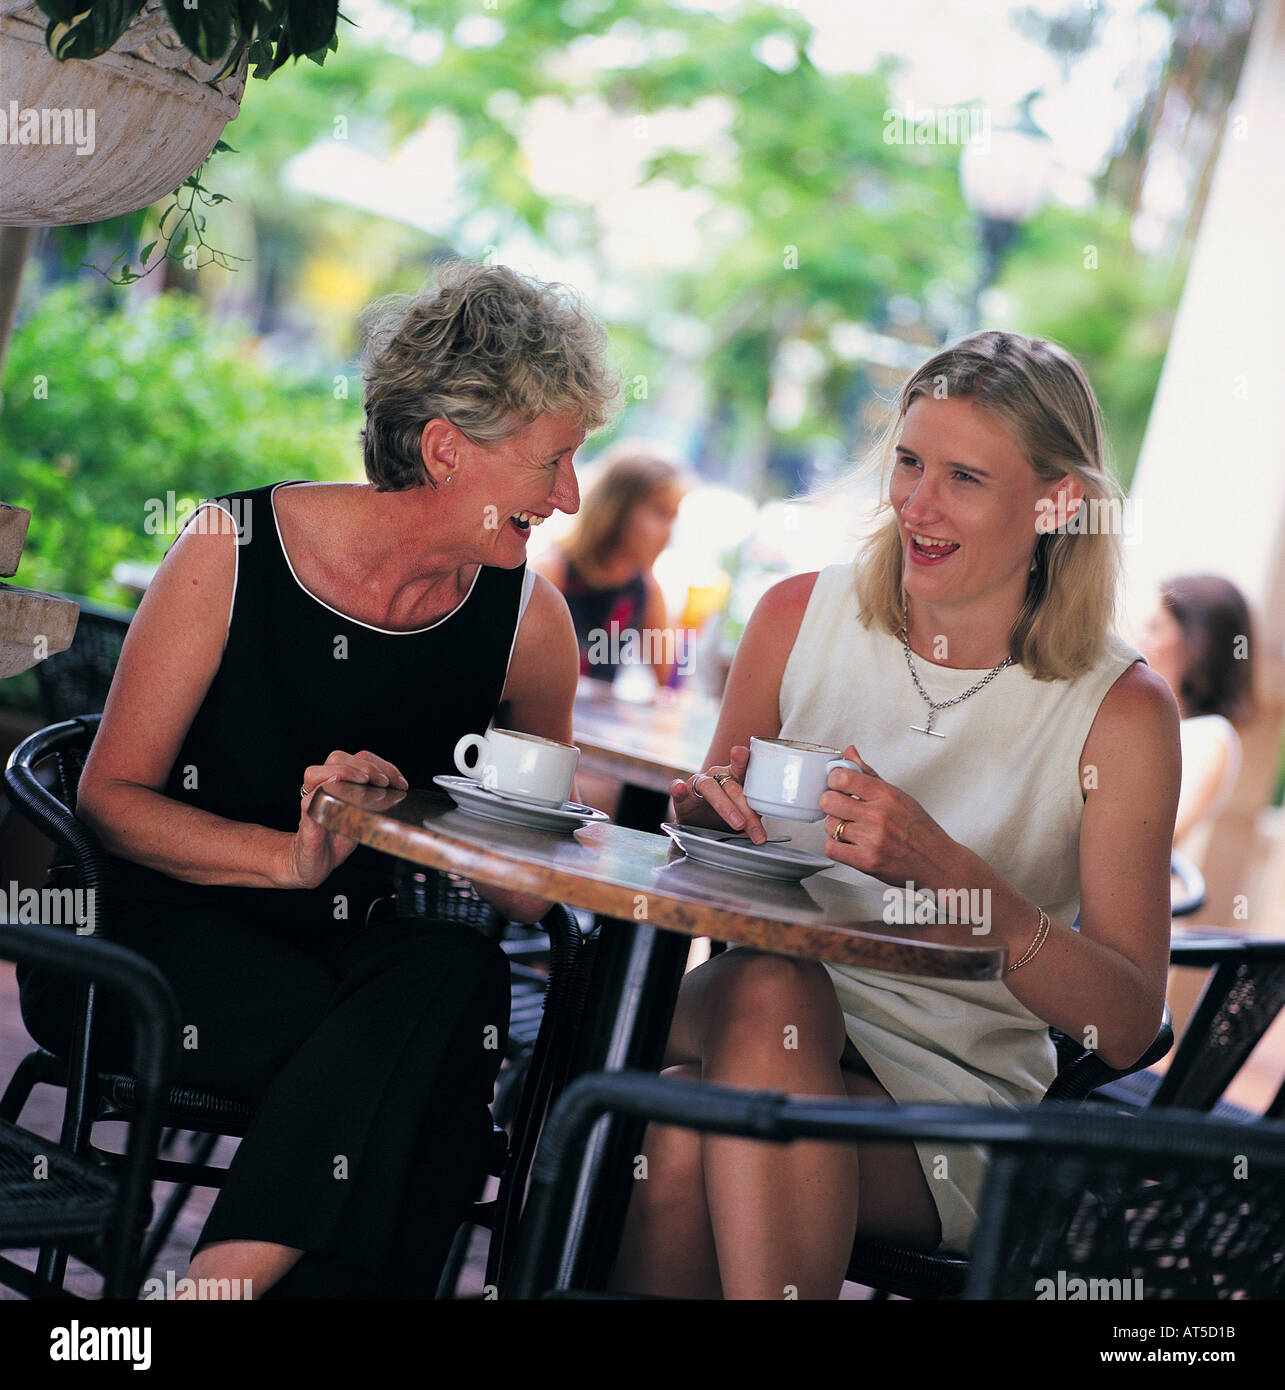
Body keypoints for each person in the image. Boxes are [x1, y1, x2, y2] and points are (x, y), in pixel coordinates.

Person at [18, 261, 617, 1299]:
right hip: (152, 947)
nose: (569, 498)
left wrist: (541, 834)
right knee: (430, 1077)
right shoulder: (234, 549)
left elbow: (523, 894)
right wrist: (284, 857)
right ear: (445, 450)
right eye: (553, 461)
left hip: (361, 963)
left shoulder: (533, 625)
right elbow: (109, 800)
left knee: (449, 986)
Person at [609, 330, 1181, 1300]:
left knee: (674, 1132)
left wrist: (946, 873)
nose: (915, 502)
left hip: (948, 1096)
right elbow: (692, 874)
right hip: (747, 1004)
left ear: (1058, 504)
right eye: (908, 461)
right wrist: (706, 823)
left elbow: (1123, 1027)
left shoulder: (1121, 712)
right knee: (774, 990)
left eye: (962, 476)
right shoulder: (797, 617)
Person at [535, 442, 686, 688]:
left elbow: (671, 687)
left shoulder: (645, 589)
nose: (667, 533)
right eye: (659, 513)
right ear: (617, 509)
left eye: (673, 518)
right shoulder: (553, 571)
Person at [1138, 574, 1255, 860]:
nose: (1142, 639)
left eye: (1156, 628)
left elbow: (1159, 835)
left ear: (1194, 644)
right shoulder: (1152, 718)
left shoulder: (1210, 736)